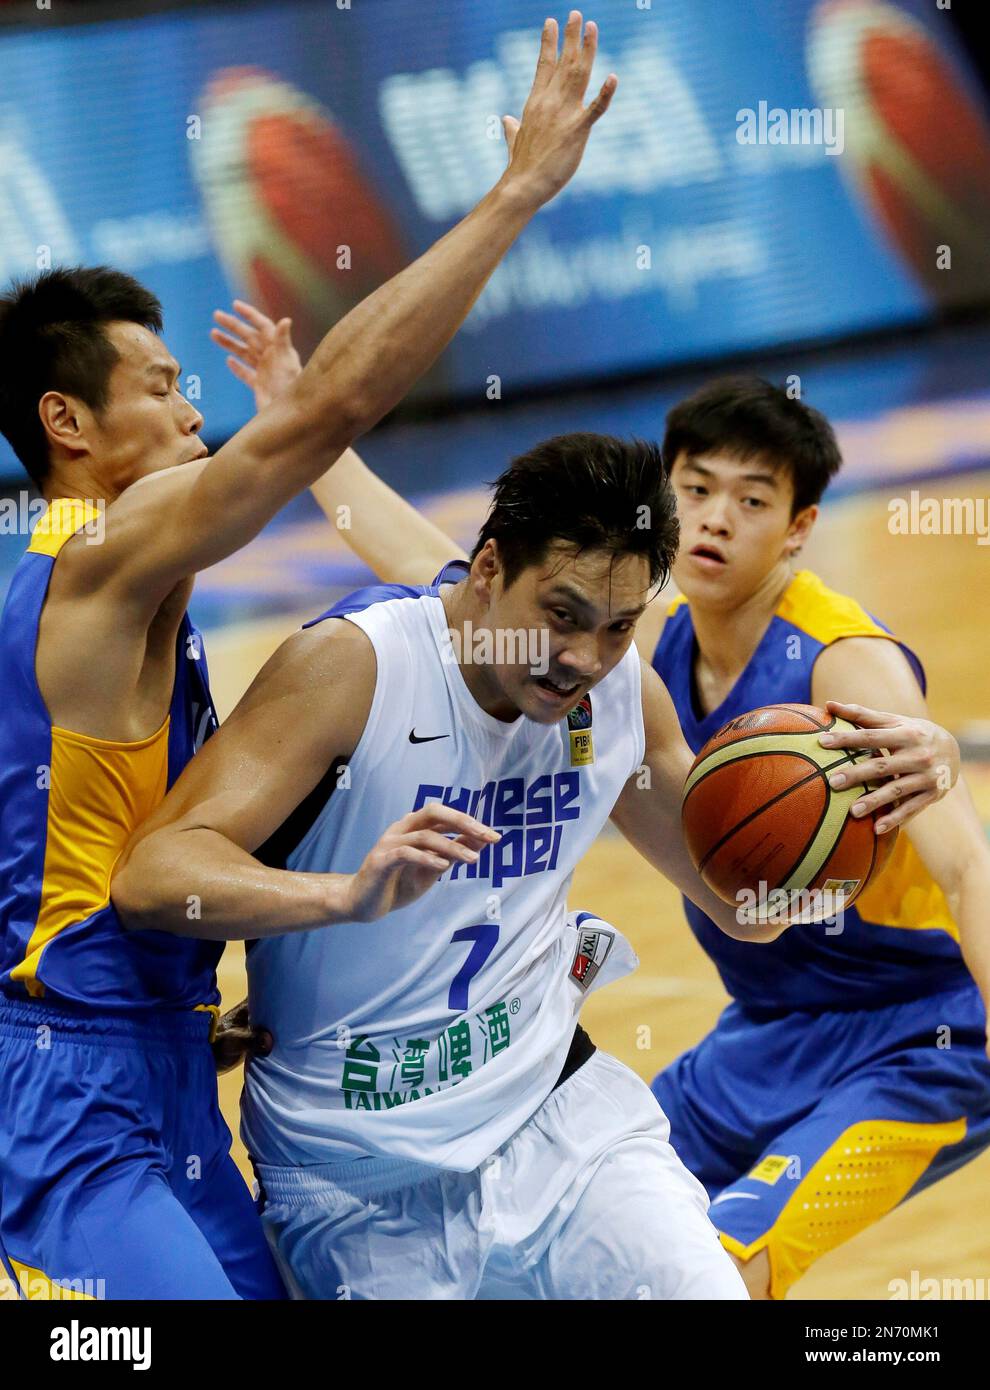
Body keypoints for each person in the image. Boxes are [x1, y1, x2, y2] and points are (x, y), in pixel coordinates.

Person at [0, 10, 617, 1301]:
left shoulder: (110, 588)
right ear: (66, 422)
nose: (193, 410)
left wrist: (170, 993)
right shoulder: (101, 552)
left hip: (153, 1053)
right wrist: (515, 195)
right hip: (66, 1088)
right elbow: (329, 406)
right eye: (162, 387)